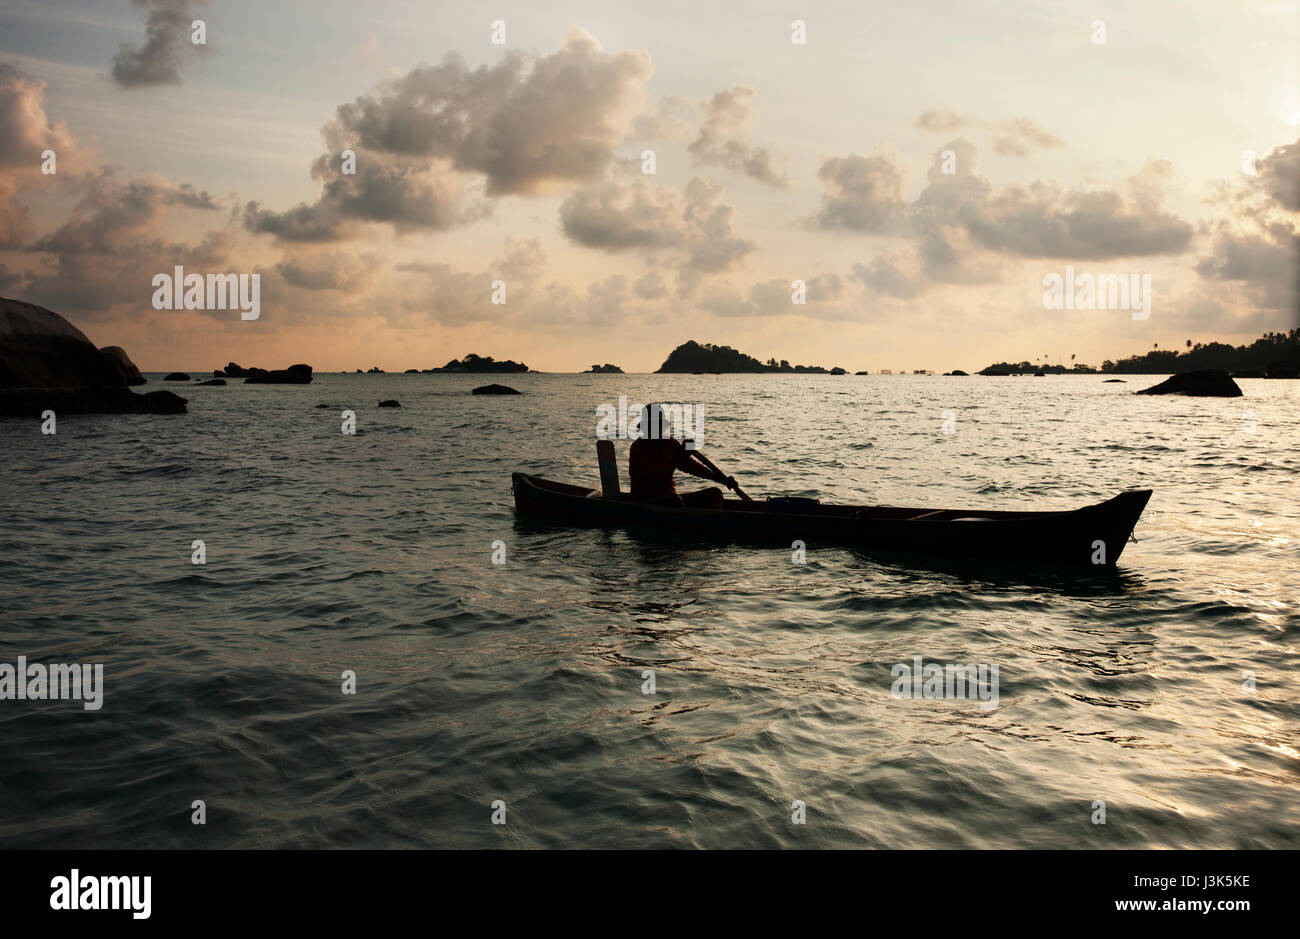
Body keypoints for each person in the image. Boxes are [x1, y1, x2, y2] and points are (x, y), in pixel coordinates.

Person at [628, 403, 735, 508]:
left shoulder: (670, 443)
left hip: (671, 499)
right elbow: (655, 475)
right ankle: (692, 521)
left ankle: (706, 521)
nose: (658, 428)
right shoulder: (638, 448)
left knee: (715, 494)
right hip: (645, 502)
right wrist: (680, 457)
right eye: (654, 424)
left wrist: (722, 480)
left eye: (660, 424)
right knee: (674, 500)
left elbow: (691, 467)